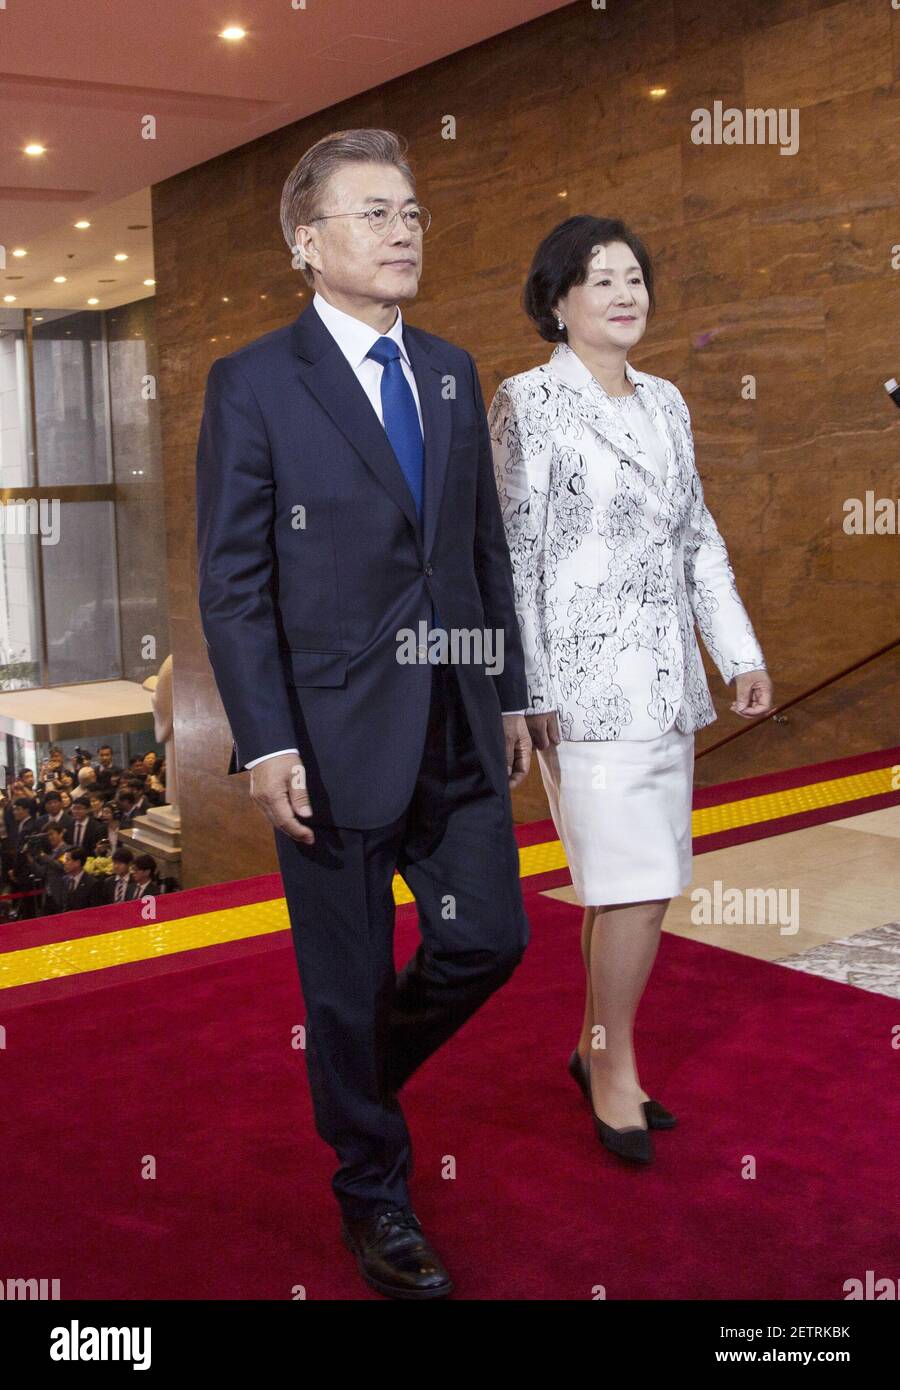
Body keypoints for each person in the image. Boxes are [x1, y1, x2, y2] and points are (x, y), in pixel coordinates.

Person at [196, 128, 531, 1300]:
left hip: (456, 715)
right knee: (342, 979)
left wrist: (510, 690)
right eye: (376, 212)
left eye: (414, 213)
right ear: (308, 242)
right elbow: (234, 583)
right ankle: (374, 1193)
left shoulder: (448, 366)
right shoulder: (254, 382)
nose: (404, 231)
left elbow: (478, 549)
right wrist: (267, 735)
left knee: (490, 937)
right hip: (328, 745)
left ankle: (354, 1077)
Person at [490, 216, 773, 1165]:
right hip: (578, 691)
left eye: (634, 278)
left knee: (647, 886)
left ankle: (595, 1047)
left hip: (664, 684)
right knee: (631, 883)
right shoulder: (524, 402)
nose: (623, 293)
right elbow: (511, 560)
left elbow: (698, 540)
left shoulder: (668, 400)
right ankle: (611, 1064)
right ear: (557, 299)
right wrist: (517, 692)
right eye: (599, 278)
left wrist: (737, 654)